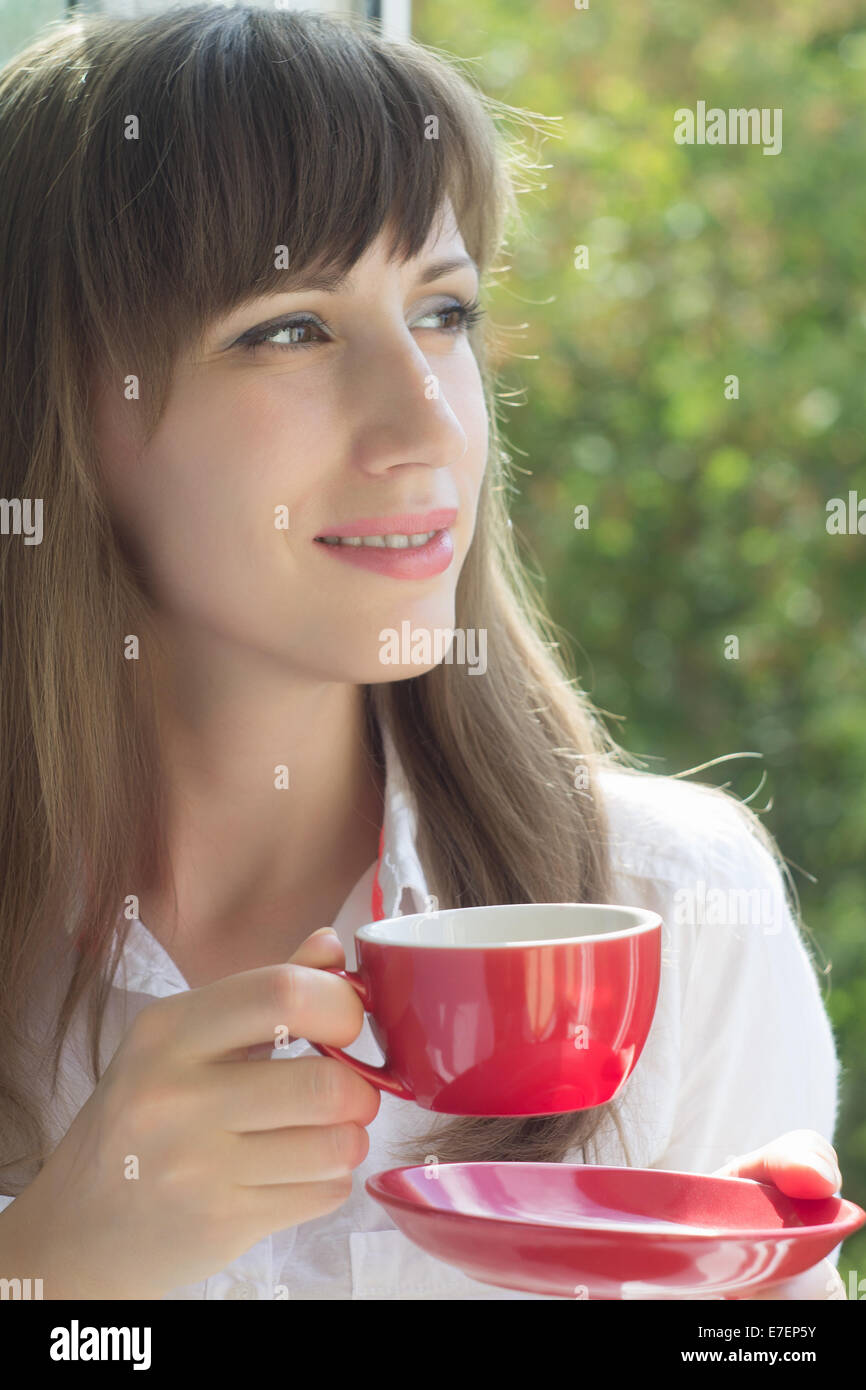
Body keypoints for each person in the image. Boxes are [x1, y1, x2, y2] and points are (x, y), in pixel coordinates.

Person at [0, 4, 843, 1300]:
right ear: (59, 404)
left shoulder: (674, 905)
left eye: (442, 311)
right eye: (289, 326)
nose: (428, 424)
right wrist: (45, 1275)